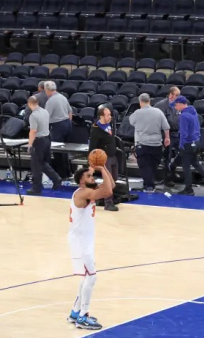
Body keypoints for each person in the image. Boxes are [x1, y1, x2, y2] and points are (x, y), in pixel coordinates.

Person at [67, 165, 115, 330]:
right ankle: (83, 316)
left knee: (86, 277)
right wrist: (101, 168)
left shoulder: (87, 191)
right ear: (82, 180)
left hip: (83, 240)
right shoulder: (84, 193)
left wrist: (104, 168)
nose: (93, 178)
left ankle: (75, 312)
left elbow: (111, 186)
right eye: (89, 176)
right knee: (92, 277)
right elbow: (108, 191)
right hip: (80, 242)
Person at [171, 96, 204, 195]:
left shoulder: (184, 116)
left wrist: (181, 145)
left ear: (182, 104)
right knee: (195, 163)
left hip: (188, 143)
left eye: (176, 105)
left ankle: (188, 189)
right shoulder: (194, 112)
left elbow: (184, 133)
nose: (175, 107)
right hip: (196, 141)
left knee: (186, 167)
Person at [129, 93, 170, 192]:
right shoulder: (158, 112)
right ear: (149, 101)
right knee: (152, 166)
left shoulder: (137, 113)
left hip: (142, 144)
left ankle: (149, 186)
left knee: (144, 166)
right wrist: (167, 138)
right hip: (156, 144)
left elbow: (131, 122)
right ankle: (148, 184)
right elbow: (166, 127)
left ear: (140, 102)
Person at [26, 96, 62, 195]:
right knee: (42, 163)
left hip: (38, 141)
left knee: (36, 165)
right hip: (47, 139)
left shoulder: (33, 115)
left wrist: (29, 144)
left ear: (29, 104)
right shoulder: (45, 111)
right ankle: (56, 178)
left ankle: (36, 188)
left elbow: (33, 131)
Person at [88, 106, 119, 211]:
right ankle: (108, 203)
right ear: (101, 116)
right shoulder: (96, 129)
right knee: (108, 181)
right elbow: (92, 147)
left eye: (110, 114)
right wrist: (92, 163)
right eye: (108, 115)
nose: (110, 117)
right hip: (104, 158)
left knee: (114, 179)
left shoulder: (109, 124)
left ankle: (100, 197)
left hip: (113, 155)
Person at [44, 81, 74, 178]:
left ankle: (61, 175)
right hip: (67, 124)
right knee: (65, 150)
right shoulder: (63, 97)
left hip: (58, 126)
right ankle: (68, 172)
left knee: (57, 151)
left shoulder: (51, 101)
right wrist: (68, 123)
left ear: (47, 90)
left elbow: (46, 116)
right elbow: (70, 112)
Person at [154, 87, 182, 187]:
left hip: (178, 133)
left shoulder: (178, 104)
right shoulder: (160, 105)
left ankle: (173, 168)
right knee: (167, 156)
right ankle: (168, 178)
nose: (179, 97)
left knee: (184, 151)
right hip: (166, 134)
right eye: (177, 95)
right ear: (171, 95)